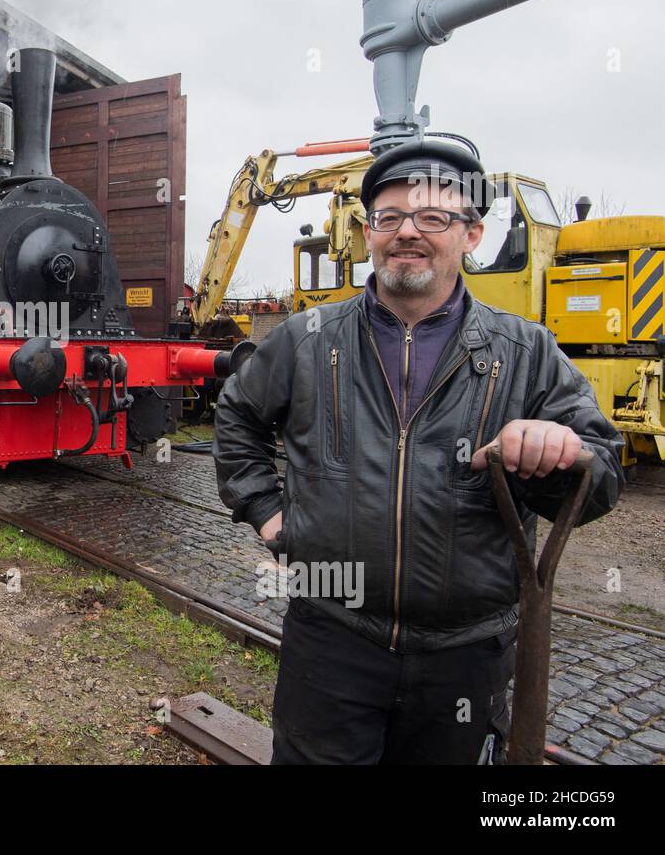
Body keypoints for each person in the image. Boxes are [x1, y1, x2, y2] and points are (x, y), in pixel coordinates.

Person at [213, 139, 624, 764]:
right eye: (389, 218)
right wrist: (269, 515)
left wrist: (562, 456)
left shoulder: (527, 352)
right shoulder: (306, 339)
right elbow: (237, 415)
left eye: (432, 218)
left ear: (472, 235)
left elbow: (603, 472)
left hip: (466, 656)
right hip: (331, 638)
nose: (408, 232)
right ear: (369, 233)